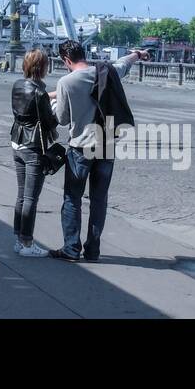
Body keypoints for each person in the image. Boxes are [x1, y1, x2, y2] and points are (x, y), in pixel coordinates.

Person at [49, 41, 146, 261]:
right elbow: (123, 64)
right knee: (99, 199)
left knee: (72, 198)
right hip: (106, 145)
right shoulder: (106, 72)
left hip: (80, 149)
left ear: (66, 60)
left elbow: (63, 119)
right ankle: (93, 250)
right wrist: (138, 54)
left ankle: (71, 249)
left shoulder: (66, 82)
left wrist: (53, 103)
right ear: (83, 54)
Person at [10, 49, 59, 258]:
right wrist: (55, 107)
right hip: (33, 147)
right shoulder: (39, 93)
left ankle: (19, 240)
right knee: (31, 197)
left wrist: (51, 96)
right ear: (43, 67)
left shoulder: (18, 85)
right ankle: (28, 243)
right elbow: (51, 122)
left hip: (17, 143)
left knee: (21, 195)